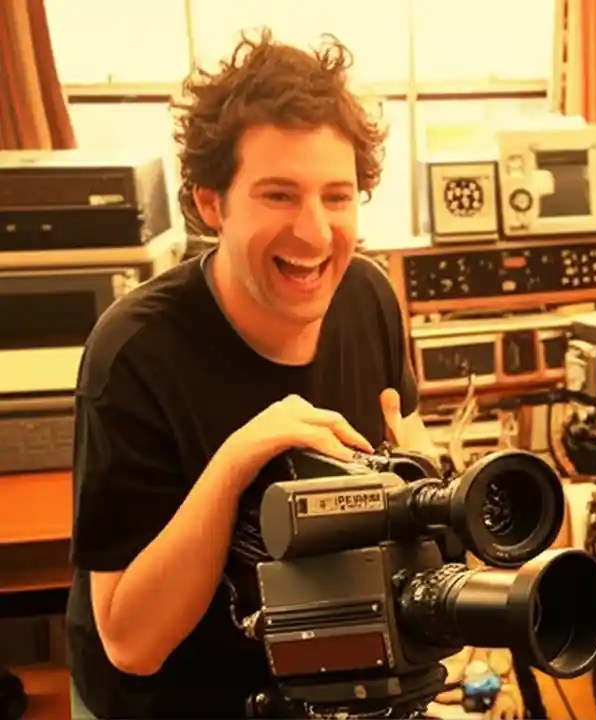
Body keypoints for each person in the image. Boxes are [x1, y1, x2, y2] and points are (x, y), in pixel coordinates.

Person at [65, 31, 437, 718]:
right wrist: (238, 461)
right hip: (172, 700)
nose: (316, 233)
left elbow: (407, 437)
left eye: (337, 196)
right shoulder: (135, 353)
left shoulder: (369, 297)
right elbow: (130, 641)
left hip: (329, 687)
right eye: (278, 196)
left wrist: (425, 478)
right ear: (212, 203)